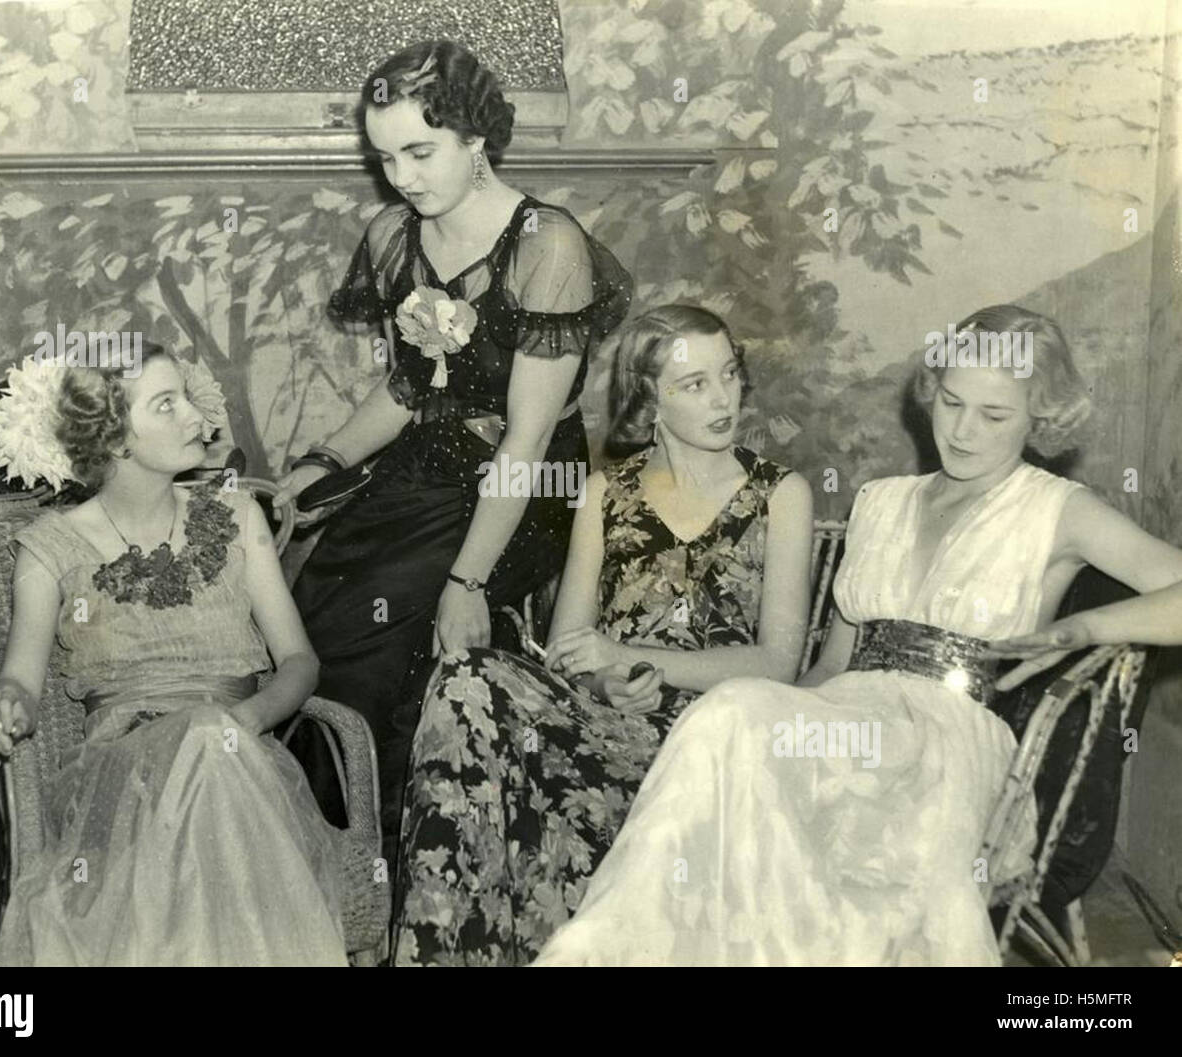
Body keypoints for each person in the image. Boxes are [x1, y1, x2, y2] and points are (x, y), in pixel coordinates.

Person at [532, 304, 1182, 966]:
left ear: (1038, 416)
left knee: (868, 874)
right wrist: (777, 718)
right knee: (731, 711)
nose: (963, 430)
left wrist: (1088, 626)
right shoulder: (882, 500)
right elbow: (829, 668)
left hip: (948, 738)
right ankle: (599, 950)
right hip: (847, 722)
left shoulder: (1057, 508)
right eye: (952, 402)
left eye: (994, 415)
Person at [273, 39, 632, 872]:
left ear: (478, 140)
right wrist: (320, 464)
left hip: (527, 485)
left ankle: (403, 878)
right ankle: (319, 870)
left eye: (419, 152)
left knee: (395, 641)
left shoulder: (548, 243)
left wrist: (466, 582)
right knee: (319, 611)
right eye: (385, 155)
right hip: (426, 465)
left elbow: (530, 437)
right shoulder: (395, 235)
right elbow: (404, 391)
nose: (400, 176)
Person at [390, 305, 814, 965]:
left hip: (719, 739)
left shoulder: (779, 495)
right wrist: (607, 680)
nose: (723, 396)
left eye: (728, 374)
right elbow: (568, 653)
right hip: (603, 722)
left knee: (492, 709)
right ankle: (447, 951)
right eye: (694, 384)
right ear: (648, 399)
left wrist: (631, 657)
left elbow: (780, 662)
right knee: (466, 677)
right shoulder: (604, 493)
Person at [0, 348, 346, 966]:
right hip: (119, 773)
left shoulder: (236, 517)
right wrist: (6, 708)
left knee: (208, 745)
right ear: (117, 438)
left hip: (237, 756)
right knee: (203, 750)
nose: (195, 418)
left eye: (185, 396)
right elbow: (20, 679)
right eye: (166, 404)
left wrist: (243, 725)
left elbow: (299, 663)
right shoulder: (49, 547)